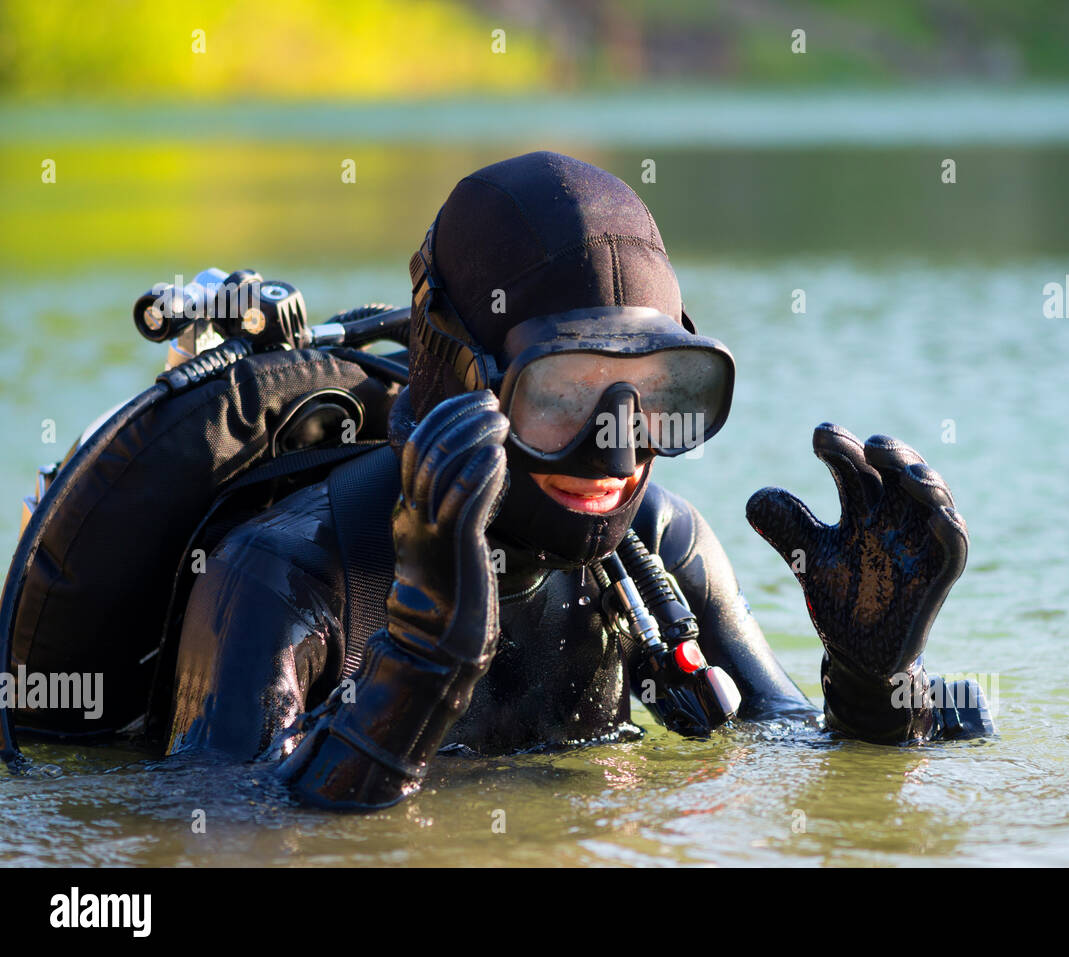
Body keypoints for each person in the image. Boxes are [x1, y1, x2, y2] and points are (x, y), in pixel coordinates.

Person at [165, 151, 993, 810]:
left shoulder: (662, 547)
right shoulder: (285, 578)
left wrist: (872, 687)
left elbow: (789, 759)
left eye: (666, 394)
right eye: (562, 392)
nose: (618, 451)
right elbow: (230, 833)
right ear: (465, 377)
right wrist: (420, 666)